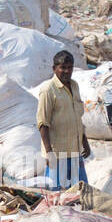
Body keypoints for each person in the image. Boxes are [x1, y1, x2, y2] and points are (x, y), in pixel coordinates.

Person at [36, 50, 90, 190]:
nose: (67, 71)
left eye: (70, 67)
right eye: (63, 67)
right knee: (57, 194)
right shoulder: (48, 90)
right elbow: (43, 123)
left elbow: (77, 117)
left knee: (81, 190)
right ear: (54, 69)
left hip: (75, 150)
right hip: (58, 153)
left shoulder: (74, 85)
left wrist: (85, 142)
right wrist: (49, 153)